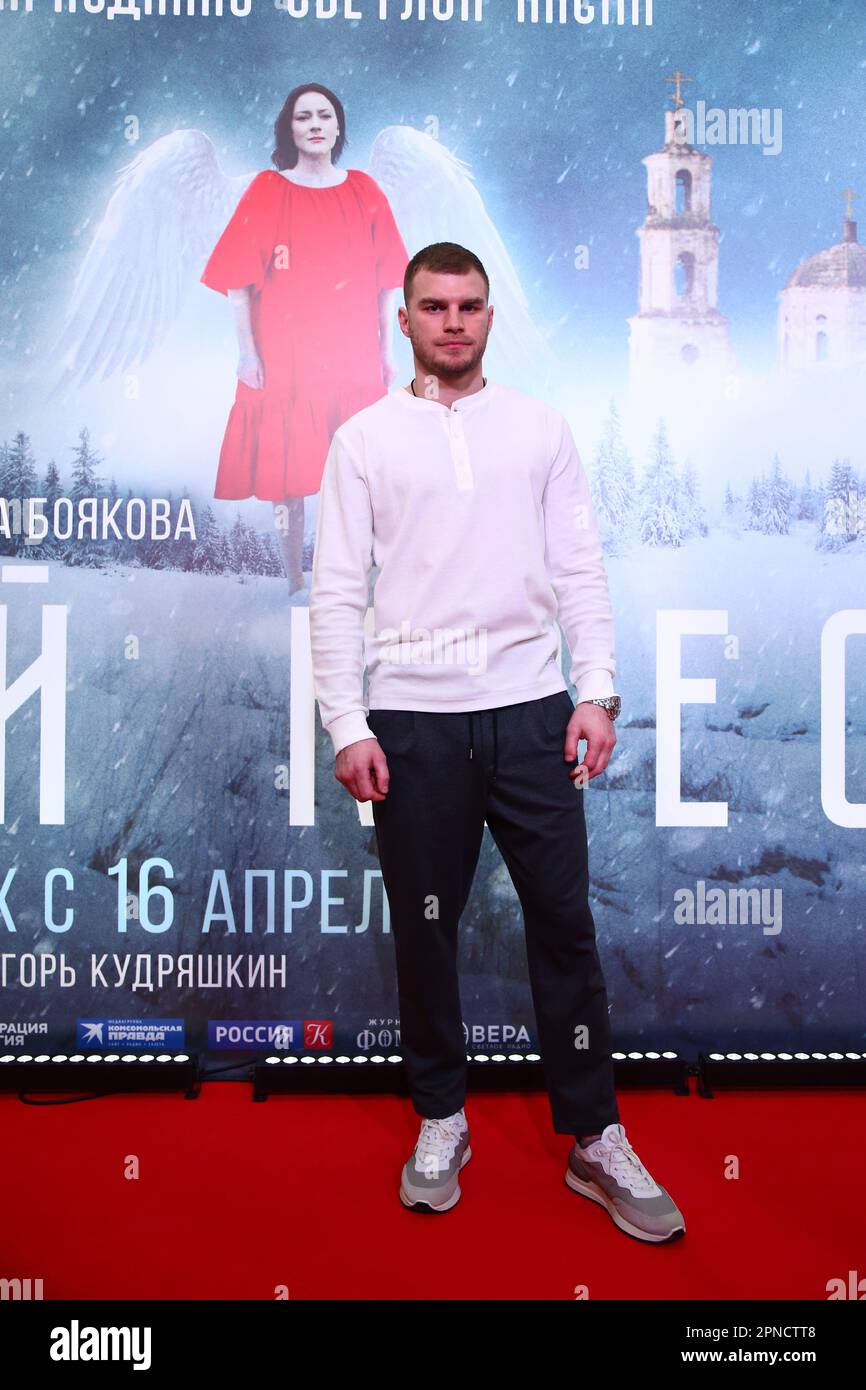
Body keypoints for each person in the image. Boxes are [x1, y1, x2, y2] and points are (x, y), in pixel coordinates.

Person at [309, 242, 685, 1243]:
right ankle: (441, 1116)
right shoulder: (362, 440)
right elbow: (338, 593)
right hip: (412, 726)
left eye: (468, 305)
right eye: (432, 306)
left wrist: (596, 692)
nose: (452, 321)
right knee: (425, 934)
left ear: (487, 315)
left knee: (562, 925)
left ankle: (592, 1135)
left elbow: (579, 569)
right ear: (403, 318)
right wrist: (347, 722)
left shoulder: (538, 430)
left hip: (529, 714)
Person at [200, 83, 409, 593]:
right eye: (303, 117)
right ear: (289, 129)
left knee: (358, 475)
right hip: (284, 354)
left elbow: (387, 280)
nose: (314, 124)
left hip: (352, 354)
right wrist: (247, 354)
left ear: (338, 127)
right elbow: (236, 280)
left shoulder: (364, 190)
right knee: (287, 474)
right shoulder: (269, 190)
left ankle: (353, 584)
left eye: (324, 115)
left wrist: (384, 352)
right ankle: (294, 582)